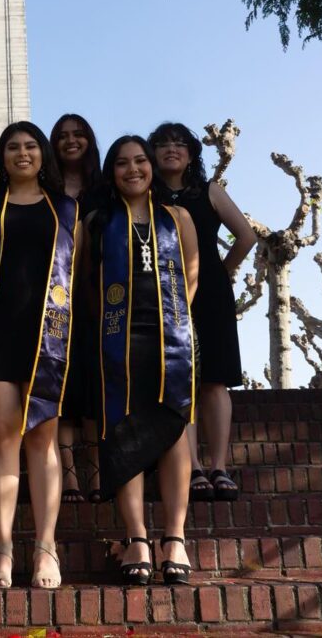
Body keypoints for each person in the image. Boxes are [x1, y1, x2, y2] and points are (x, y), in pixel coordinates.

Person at [0, 121, 79, 589]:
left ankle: (45, 547)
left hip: (47, 336)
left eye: (31, 146)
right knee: (3, 439)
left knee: (42, 441)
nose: (22, 153)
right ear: (1, 157)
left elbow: (76, 274)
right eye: (13, 147)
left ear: (43, 155)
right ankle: (3, 548)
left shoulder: (65, 208)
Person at [87, 135, 200, 585]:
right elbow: (86, 283)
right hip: (117, 338)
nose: (132, 170)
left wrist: (172, 323)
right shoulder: (96, 221)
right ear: (110, 171)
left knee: (173, 429)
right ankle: (136, 536)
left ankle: (174, 537)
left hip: (171, 336)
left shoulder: (178, 217)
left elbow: (192, 277)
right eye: (121, 163)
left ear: (151, 166)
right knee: (124, 431)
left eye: (140, 161)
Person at [149, 122, 256, 503]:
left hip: (210, 292)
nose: (171, 150)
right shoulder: (146, 191)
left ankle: (219, 466)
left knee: (215, 379)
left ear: (192, 153)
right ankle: (191, 465)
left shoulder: (209, 190)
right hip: (162, 291)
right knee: (180, 378)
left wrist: (223, 270)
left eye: (179, 144)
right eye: (162, 145)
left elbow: (246, 236)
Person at [49, 113, 103, 504]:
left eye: (78, 135)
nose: (71, 141)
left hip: (101, 297)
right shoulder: (46, 188)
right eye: (63, 136)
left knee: (95, 387)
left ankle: (98, 474)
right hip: (55, 298)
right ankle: (68, 476)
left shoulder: (105, 188)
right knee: (62, 389)